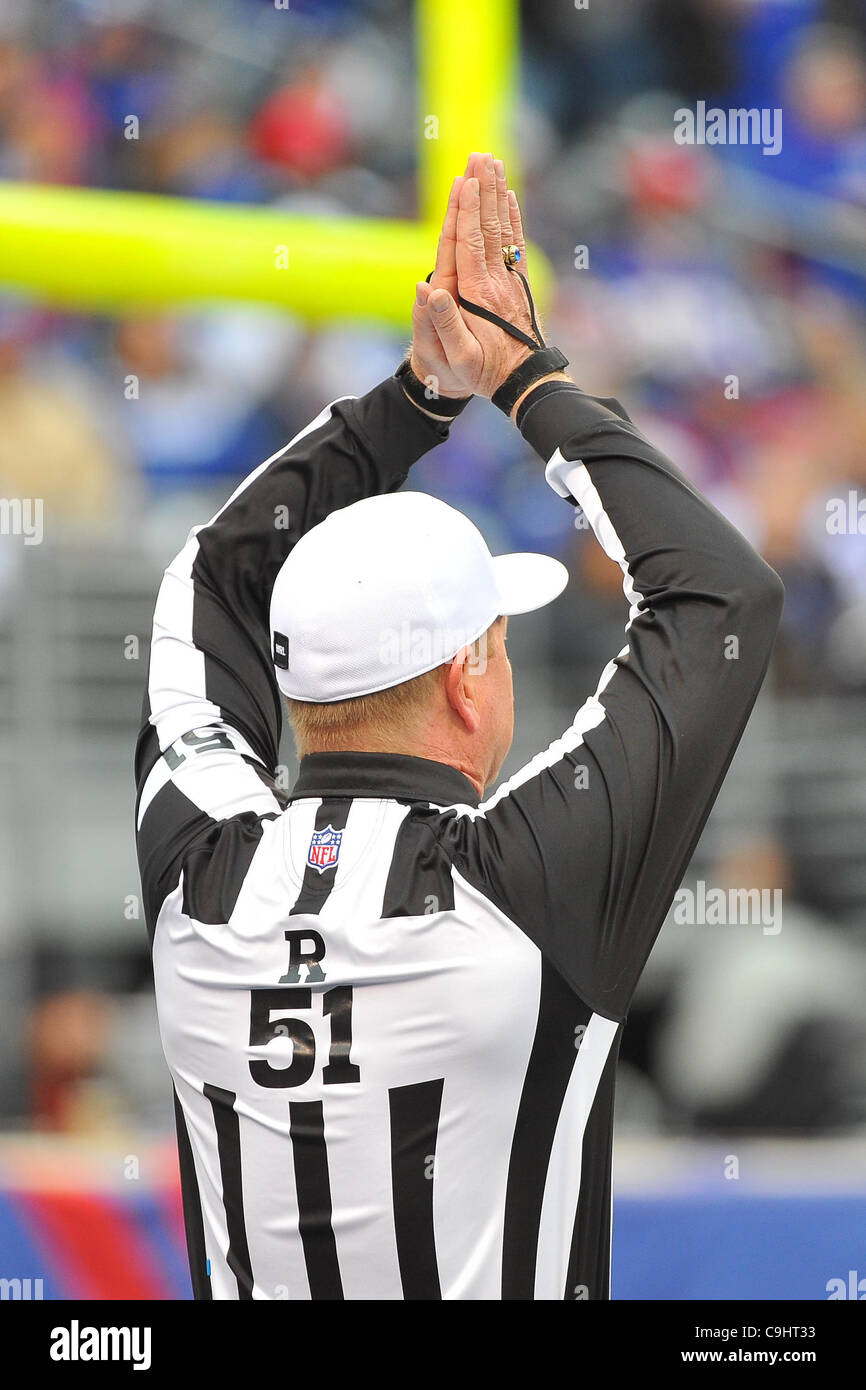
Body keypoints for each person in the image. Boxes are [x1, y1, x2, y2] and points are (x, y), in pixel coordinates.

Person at [135, 152, 784, 1300]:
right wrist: (508, 375)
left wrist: (419, 399)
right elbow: (721, 595)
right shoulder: (515, 890)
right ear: (467, 680)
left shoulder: (198, 873)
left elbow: (211, 576)